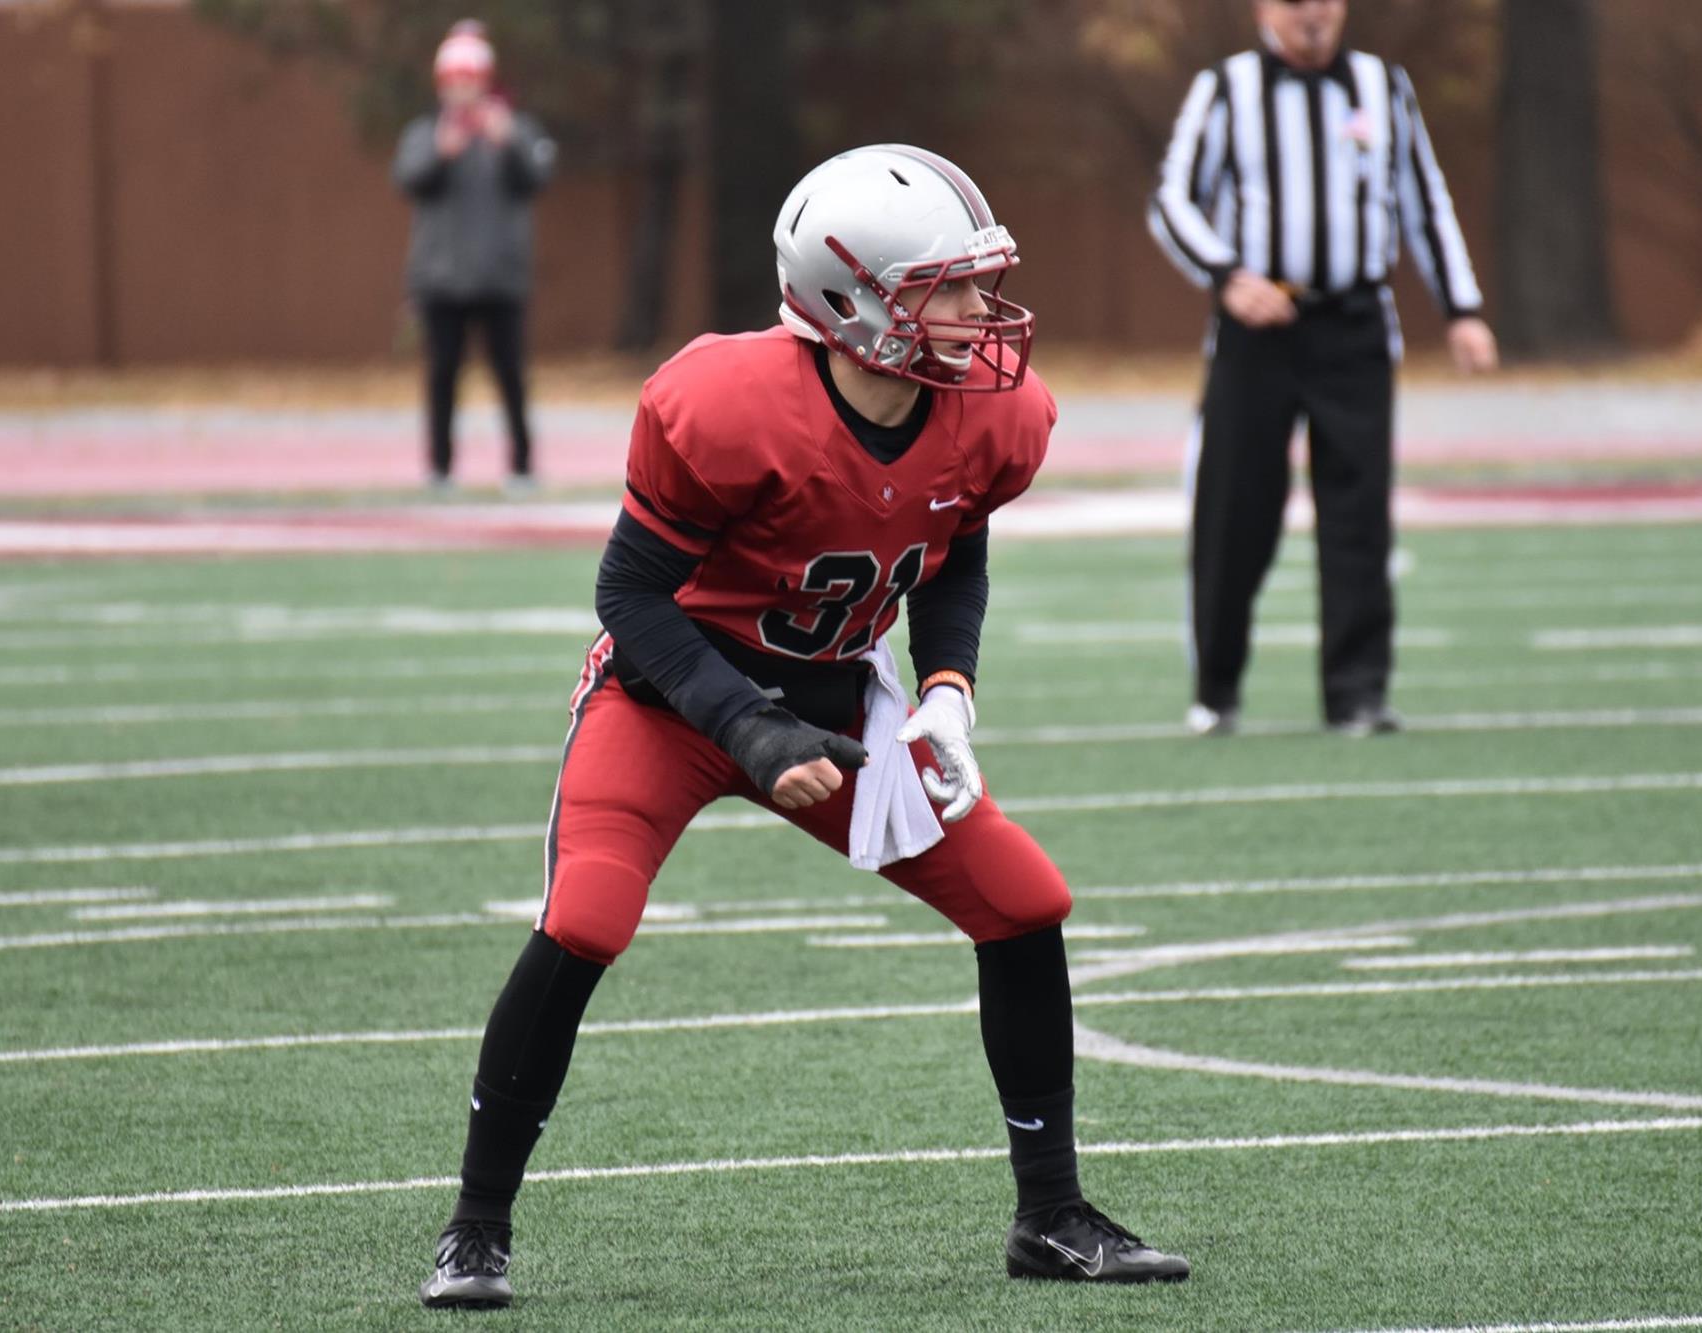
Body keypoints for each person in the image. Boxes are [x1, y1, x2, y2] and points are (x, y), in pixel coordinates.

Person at [418, 143, 1191, 1309]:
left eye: (979, 282)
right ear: (855, 302)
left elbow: (951, 550)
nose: (980, 310)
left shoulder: (989, 416)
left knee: (1023, 900)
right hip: (671, 699)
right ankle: (476, 1229)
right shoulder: (726, 403)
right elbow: (629, 600)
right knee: (587, 917)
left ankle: (1050, 1214)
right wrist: (749, 729)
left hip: (836, 705)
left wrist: (943, 689)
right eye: (949, 285)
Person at [1148, 0, 1498, 737]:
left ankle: (1357, 692)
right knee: (1236, 509)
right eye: (1296, 1)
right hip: (1259, 327)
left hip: (1355, 325)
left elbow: (1424, 200)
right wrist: (1227, 275)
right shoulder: (1227, 86)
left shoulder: (1384, 85)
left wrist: (1462, 309)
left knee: (1360, 511)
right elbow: (1172, 200)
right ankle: (1218, 688)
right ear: (1264, 9)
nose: (1313, 15)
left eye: (1326, 1)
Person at [392, 20, 558, 494]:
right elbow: (407, 178)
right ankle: (440, 468)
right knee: (442, 377)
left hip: (500, 280)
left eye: (470, 80)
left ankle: (522, 466)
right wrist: (441, 155)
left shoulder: (514, 130)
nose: (463, 91)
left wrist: (508, 144)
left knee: (511, 377)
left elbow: (538, 176)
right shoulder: (427, 134)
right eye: (454, 82)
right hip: (441, 282)